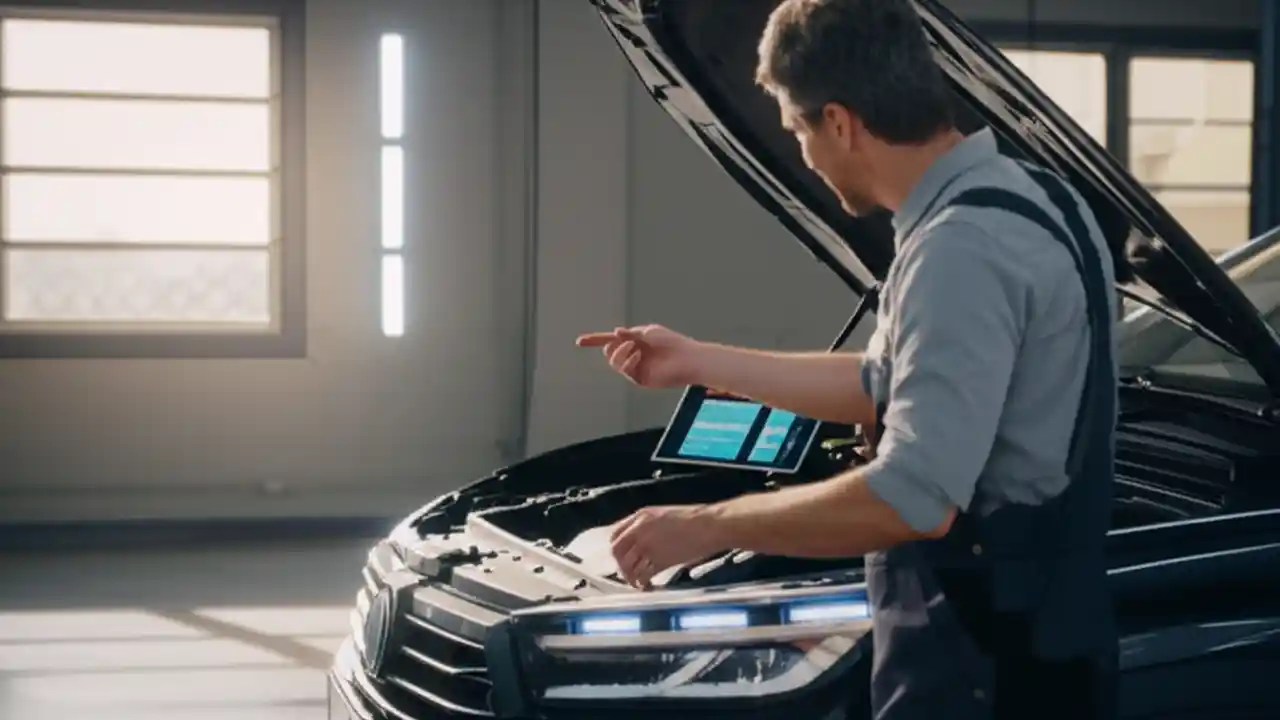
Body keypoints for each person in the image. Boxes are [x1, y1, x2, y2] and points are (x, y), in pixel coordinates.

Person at [575, 0, 1119, 718]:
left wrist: (705, 525)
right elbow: (882, 382)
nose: (803, 154)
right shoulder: (1041, 198)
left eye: (799, 130)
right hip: (1049, 642)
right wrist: (697, 361)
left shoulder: (959, 250)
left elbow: (915, 496)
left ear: (839, 122)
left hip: (986, 663)